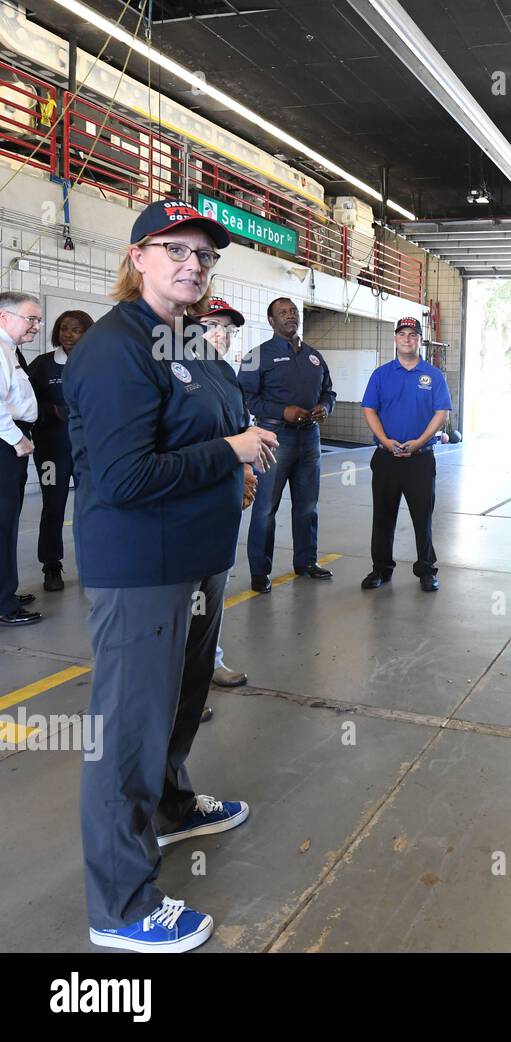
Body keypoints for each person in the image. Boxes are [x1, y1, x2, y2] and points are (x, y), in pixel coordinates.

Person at [65, 199, 279, 953]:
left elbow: (218, 428)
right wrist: (231, 454)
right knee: (128, 728)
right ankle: (120, 905)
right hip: (142, 566)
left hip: (196, 557)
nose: (194, 263)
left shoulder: (190, 343)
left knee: (181, 700)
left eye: (205, 254)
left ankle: (172, 805)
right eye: (176, 249)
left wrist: (238, 462)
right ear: (138, 259)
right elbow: (124, 478)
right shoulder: (115, 348)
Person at [240, 296, 335, 592]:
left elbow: (329, 392)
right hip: (273, 440)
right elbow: (244, 397)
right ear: (271, 321)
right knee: (266, 508)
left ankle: (306, 561)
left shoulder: (314, 356)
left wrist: (324, 407)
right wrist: (283, 411)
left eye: (293, 311)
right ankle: (260, 572)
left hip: (310, 439)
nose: (290, 316)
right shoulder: (257, 356)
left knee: (307, 506)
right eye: (282, 312)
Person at [360, 317, 451, 592]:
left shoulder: (433, 376)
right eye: (402, 334)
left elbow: (441, 412)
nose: (407, 339)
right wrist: (386, 441)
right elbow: (369, 409)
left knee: (422, 516)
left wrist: (420, 441)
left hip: (420, 459)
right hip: (386, 458)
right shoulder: (381, 374)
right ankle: (381, 569)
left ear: (420, 340)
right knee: (383, 516)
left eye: (413, 334)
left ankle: (426, 569)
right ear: (395, 339)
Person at [196, 297, 256, 690]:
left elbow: (242, 430)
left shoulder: (228, 376)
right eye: (212, 325)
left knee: (215, 589)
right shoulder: (176, 372)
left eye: (229, 329)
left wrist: (247, 470)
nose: (222, 335)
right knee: (185, 595)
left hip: (223, 498)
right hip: (188, 499)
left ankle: (207, 665)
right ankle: (179, 683)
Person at [27, 309, 93, 592]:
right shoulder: (43, 365)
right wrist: (51, 410)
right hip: (52, 450)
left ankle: (91, 563)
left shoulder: (97, 363)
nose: (68, 334)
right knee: (53, 507)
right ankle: (51, 566)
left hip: (88, 451)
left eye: (76, 329)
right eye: (64, 328)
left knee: (89, 507)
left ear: (87, 333)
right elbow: (24, 404)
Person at [0, 291, 40, 626]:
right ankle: (3, 603)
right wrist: (18, 440)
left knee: (8, 519)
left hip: (11, 439)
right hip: (6, 442)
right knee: (3, 522)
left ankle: (6, 591)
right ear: (4, 317)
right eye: (31, 319)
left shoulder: (10, 350)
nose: (36, 326)